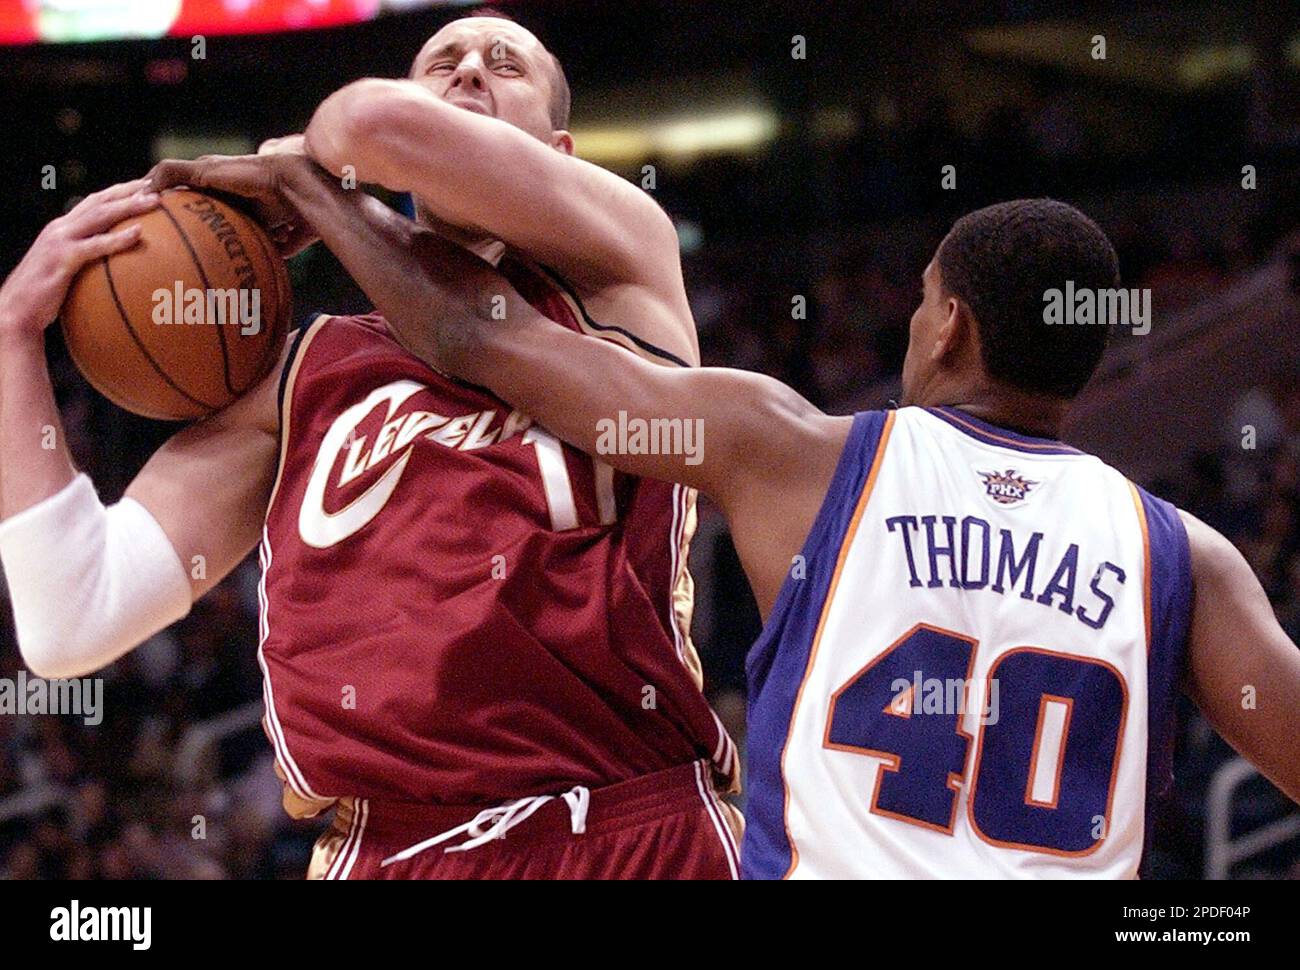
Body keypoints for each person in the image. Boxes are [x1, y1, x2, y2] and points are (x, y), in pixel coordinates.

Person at [339, 196, 1300, 878]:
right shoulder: (1184, 554)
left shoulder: (801, 455)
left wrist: (320, 194)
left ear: (949, 326)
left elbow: (479, 338)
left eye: (924, 298)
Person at [0, 10, 739, 880]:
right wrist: (13, 332)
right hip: (392, 851)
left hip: (626, 825)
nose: (469, 72)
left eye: (506, 65)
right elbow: (72, 616)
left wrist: (313, 177)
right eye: (442, 62)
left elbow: (368, 127)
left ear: (561, 153)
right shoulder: (297, 374)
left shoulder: (625, 268)